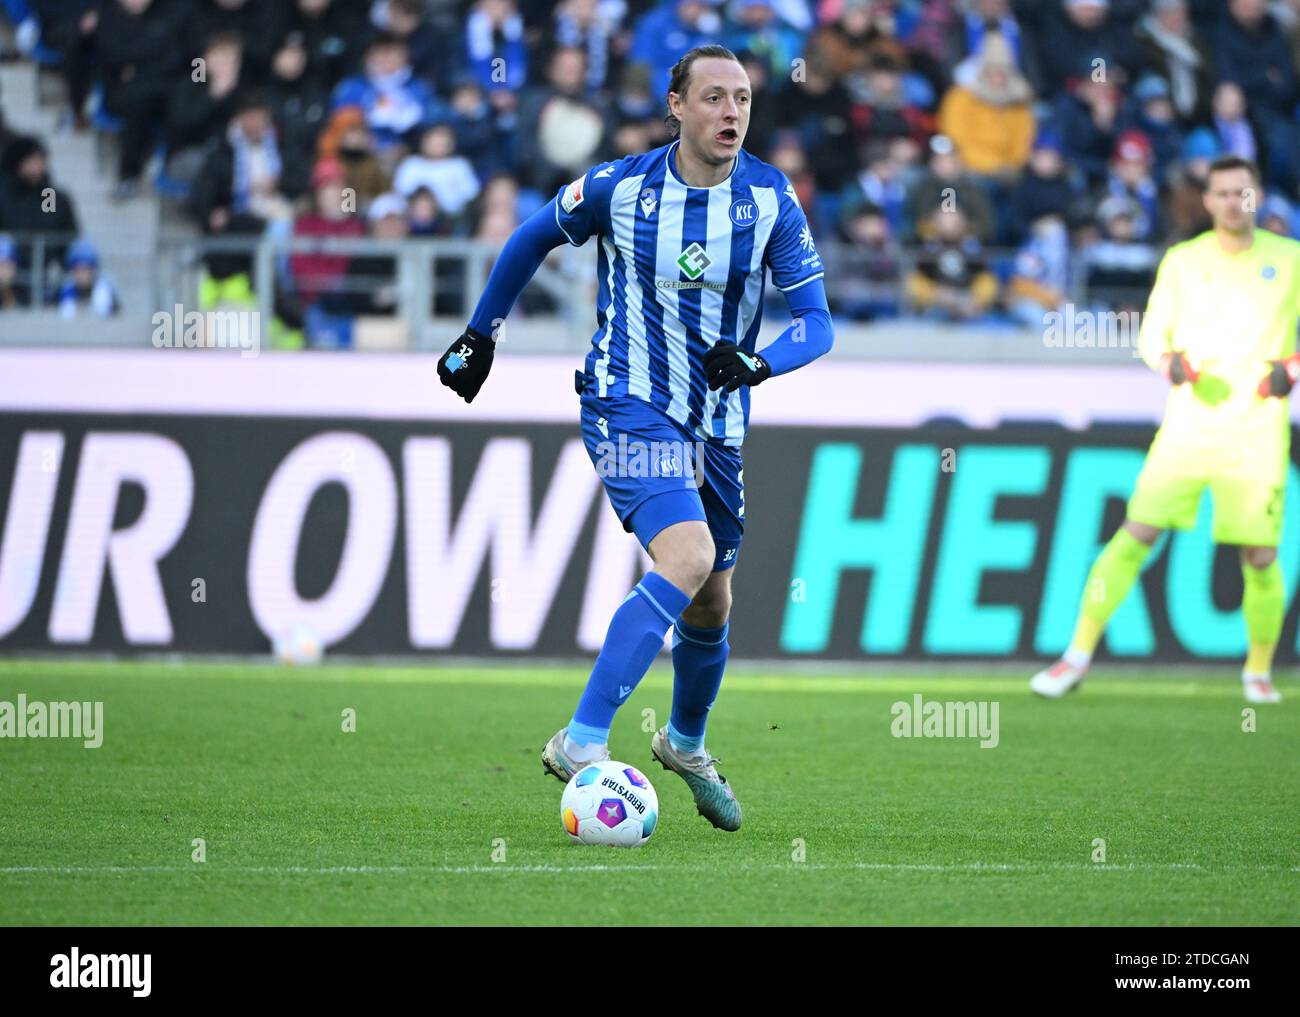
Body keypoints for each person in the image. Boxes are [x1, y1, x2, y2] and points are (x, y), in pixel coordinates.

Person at [436, 45, 834, 831]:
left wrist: (759, 361)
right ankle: (583, 739)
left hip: (717, 420)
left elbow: (817, 323)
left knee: (714, 598)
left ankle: (685, 742)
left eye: (744, 99)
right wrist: (482, 333)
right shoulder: (622, 187)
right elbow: (529, 239)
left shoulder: (770, 198)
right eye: (714, 97)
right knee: (683, 556)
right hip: (627, 400)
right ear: (676, 106)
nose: (731, 112)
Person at [1031, 156, 1300, 705]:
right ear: (1208, 201)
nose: (1232, 202)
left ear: (1258, 197)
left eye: (1242, 193)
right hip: (1189, 425)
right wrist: (1171, 362)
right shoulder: (1182, 261)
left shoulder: (1290, 260)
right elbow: (1152, 336)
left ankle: (1258, 671)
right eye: (1222, 193)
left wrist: (1290, 370)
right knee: (1135, 534)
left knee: (1261, 555)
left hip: (1255, 429)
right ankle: (1075, 656)